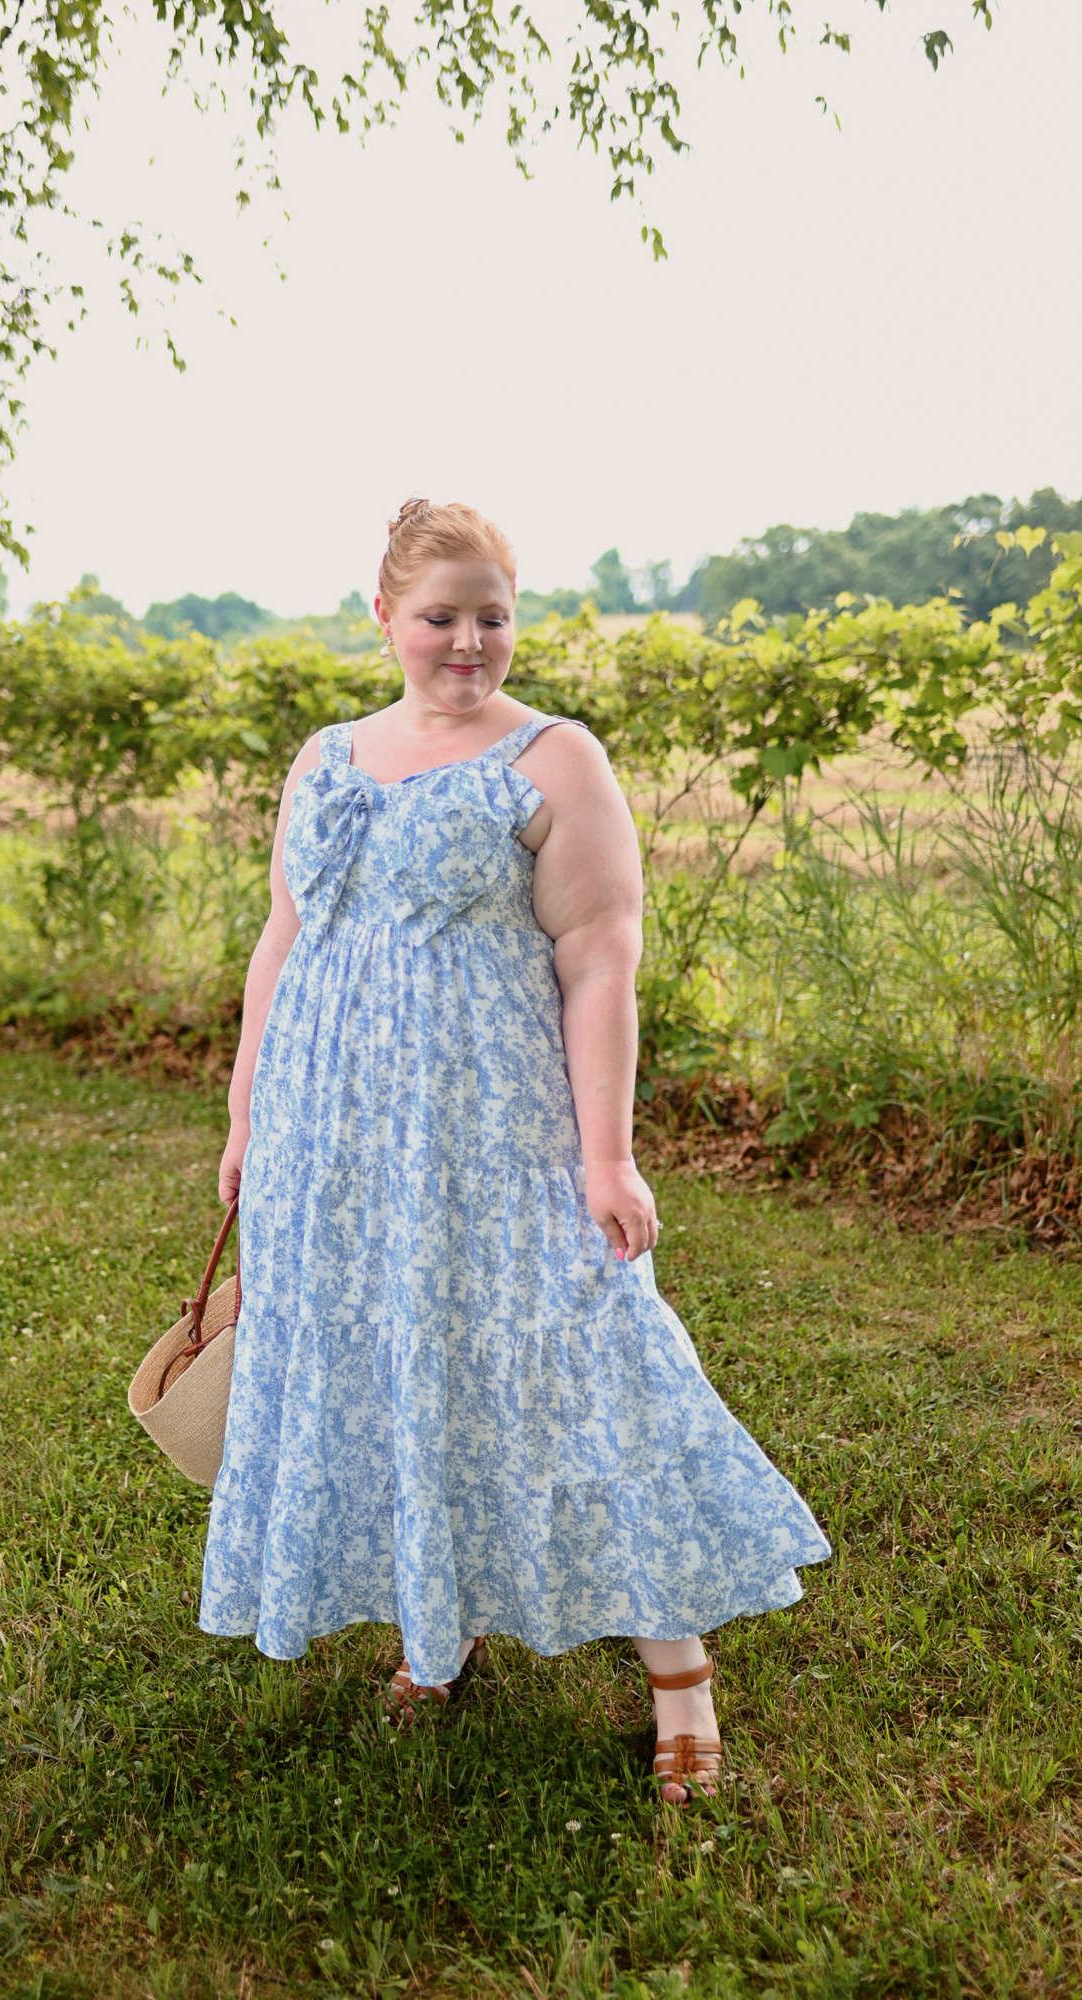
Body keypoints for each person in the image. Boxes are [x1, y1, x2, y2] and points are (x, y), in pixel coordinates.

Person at [199, 499, 830, 1803]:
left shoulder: (555, 760)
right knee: (385, 1366)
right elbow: (282, 939)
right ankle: (440, 1621)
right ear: (384, 618)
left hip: (491, 1135)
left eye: (493, 615)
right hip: (332, 1138)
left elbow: (600, 958)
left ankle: (679, 1673)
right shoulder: (325, 758)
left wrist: (608, 1157)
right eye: (442, 617)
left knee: (564, 1368)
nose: (469, 641)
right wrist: (248, 1113)